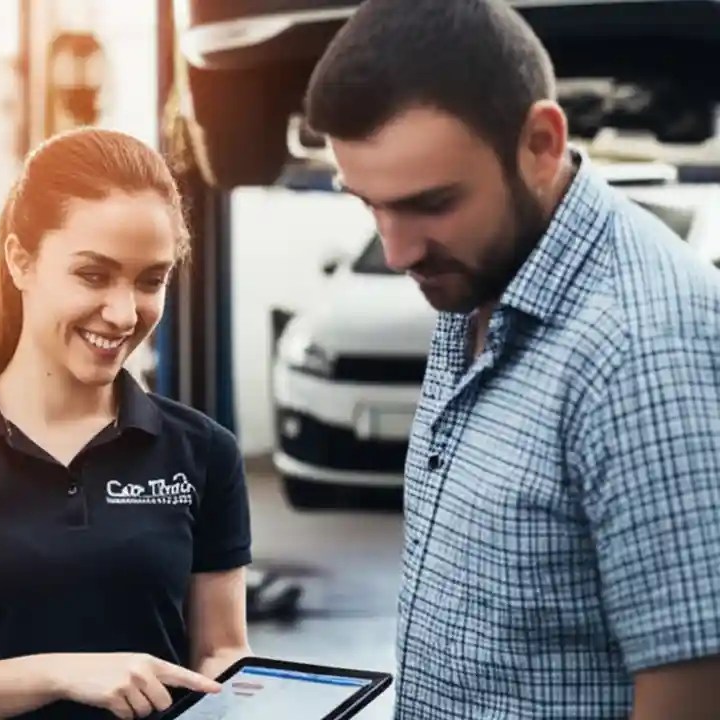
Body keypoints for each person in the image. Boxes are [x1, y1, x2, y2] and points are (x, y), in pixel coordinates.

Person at [302, 1, 720, 717]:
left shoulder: (645, 349)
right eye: (370, 204)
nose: (398, 252)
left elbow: (695, 689)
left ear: (541, 144)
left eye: (432, 203)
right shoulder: (477, 279)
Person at [0, 127, 253, 720]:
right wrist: (63, 674)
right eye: (93, 275)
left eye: (151, 281)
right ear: (21, 261)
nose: (124, 314)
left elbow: (221, 653)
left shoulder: (204, 453)